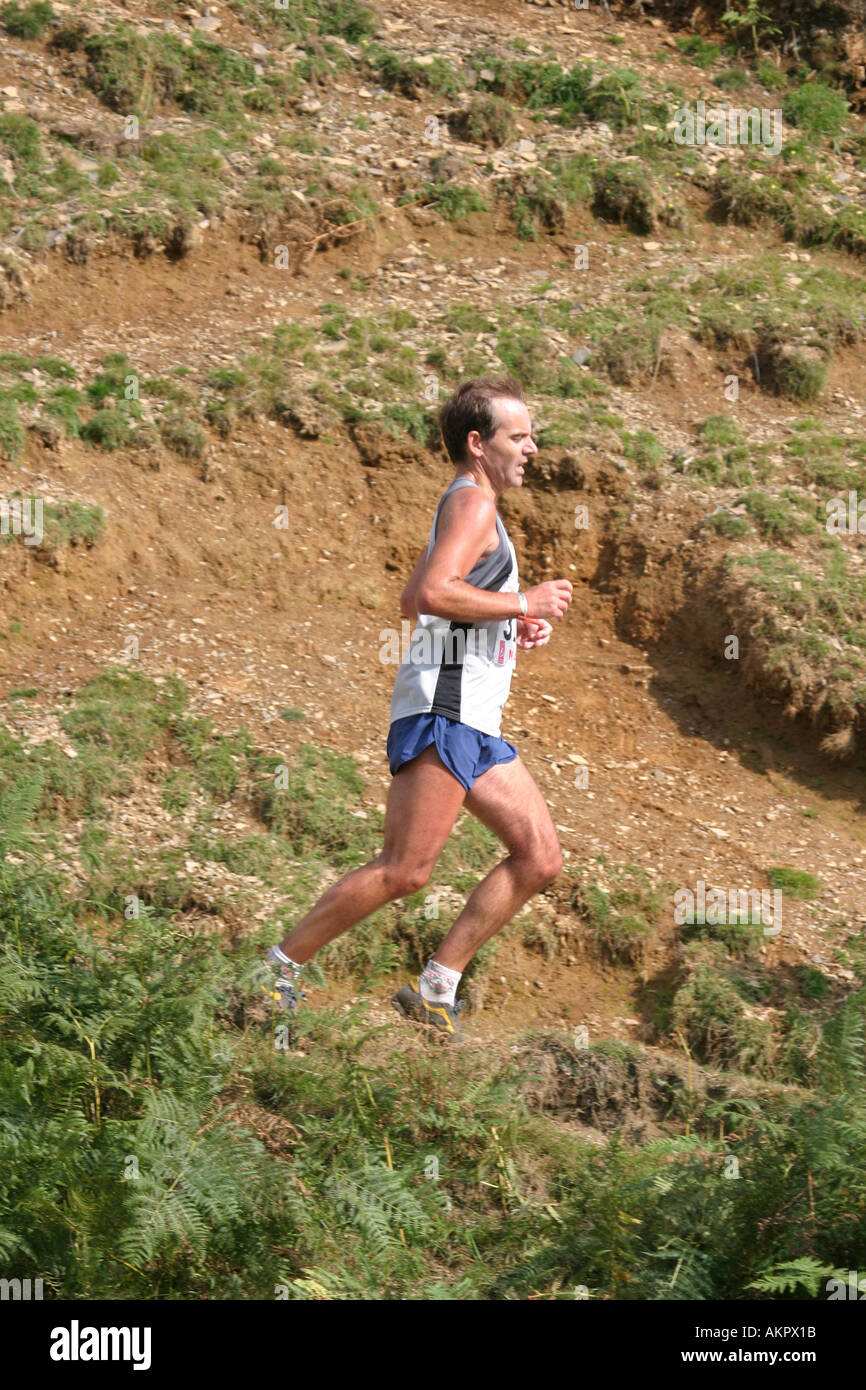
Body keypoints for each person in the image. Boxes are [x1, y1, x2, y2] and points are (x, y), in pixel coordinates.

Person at [260, 375, 573, 1037]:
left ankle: (435, 987)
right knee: (405, 869)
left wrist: (504, 625)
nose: (532, 448)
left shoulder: (470, 503)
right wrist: (525, 602)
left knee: (539, 858)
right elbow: (433, 592)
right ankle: (274, 972)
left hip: (473, 718)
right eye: (518, 436)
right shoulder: (473, 505)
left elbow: (417, 600)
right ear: (477, 443)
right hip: (444, 712)